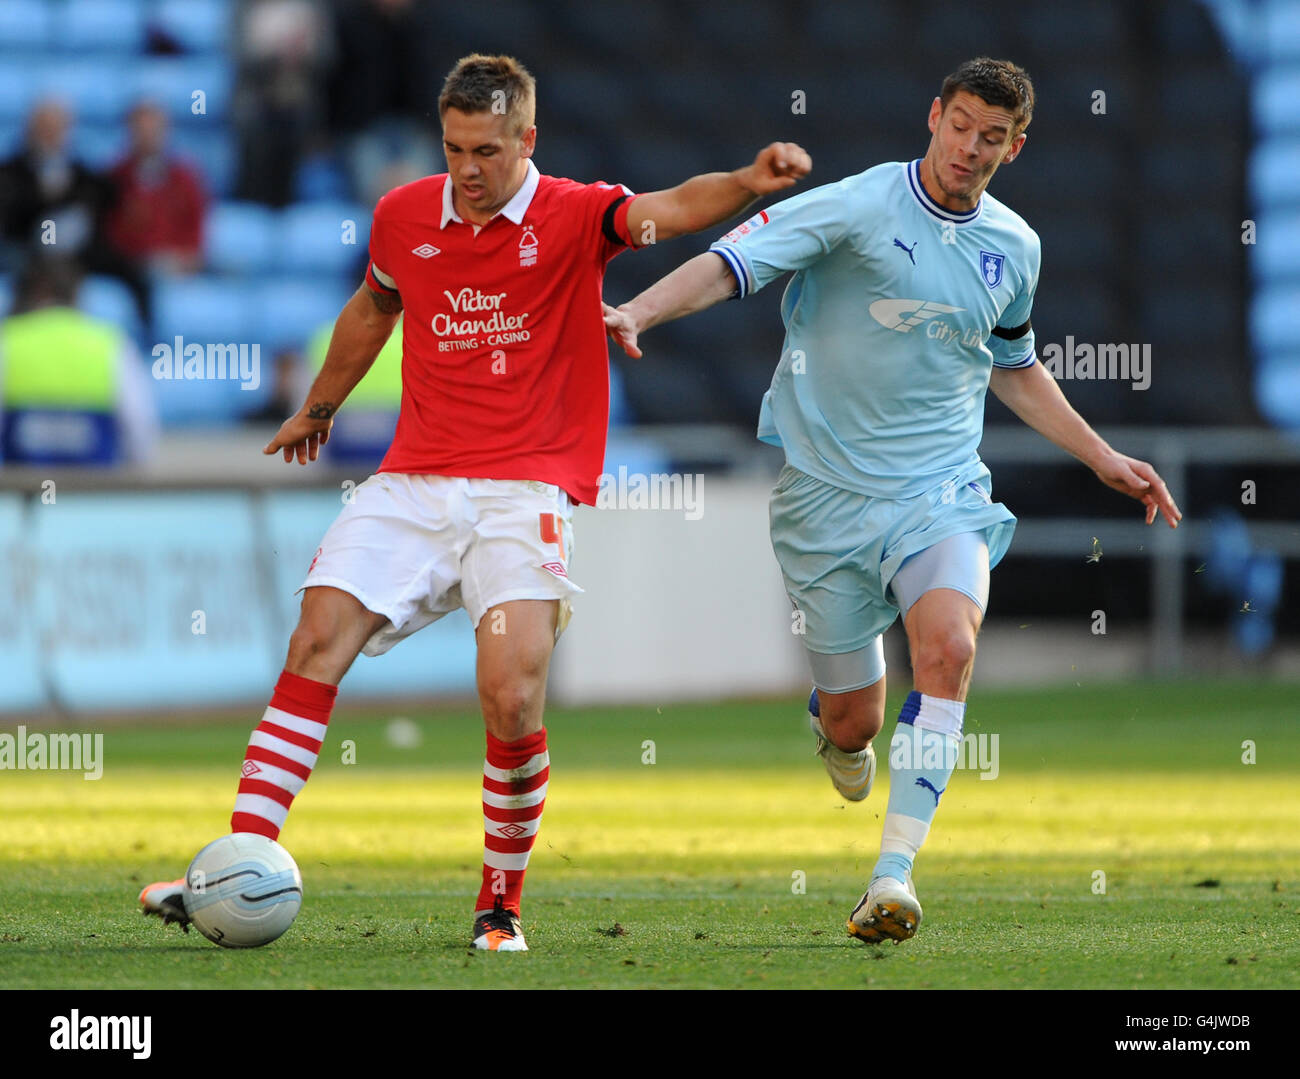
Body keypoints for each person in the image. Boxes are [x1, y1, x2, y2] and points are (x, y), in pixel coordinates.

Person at [139, 53, 811, 951]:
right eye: (454, 148)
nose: (467, 168)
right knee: (314, 639)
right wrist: (322, 404)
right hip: (414, 481)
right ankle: (237, 865)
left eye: (487, 149)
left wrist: (745, 182)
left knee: (510, 693)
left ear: (527, 140)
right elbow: (374, 309)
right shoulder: (404, 214)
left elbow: (668, 210)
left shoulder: (575, 214)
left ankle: (500, 904)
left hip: (522, 490)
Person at [602, 57, 1182, 945]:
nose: (970, 148)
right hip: (824, 500)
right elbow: (731, 264)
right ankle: (838, 729)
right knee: (856, 719)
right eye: (961, 125)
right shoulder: (856, 204)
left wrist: (1100, 454)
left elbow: (1014, 365)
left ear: (1015, 148)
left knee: (947, 648)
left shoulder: (1014, 248)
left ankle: (893, 876)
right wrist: (637, 312)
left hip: (939, 492)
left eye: (993, 137)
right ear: (934, 116)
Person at [0, 257, 157, 466]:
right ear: (76, 293)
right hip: (95, 492)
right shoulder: (111, 343)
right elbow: (140, 429)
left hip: (22, 492)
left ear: (31, 292)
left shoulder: (7, 340)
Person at [104, 101, 207, 276]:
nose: (147, 137)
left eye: (153, 131)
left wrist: (184, 258)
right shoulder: (115, 178)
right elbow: (109, 233)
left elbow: (195, 228)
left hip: (177, 268)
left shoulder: (185, 178)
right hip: (130, 269)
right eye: (141, 131)